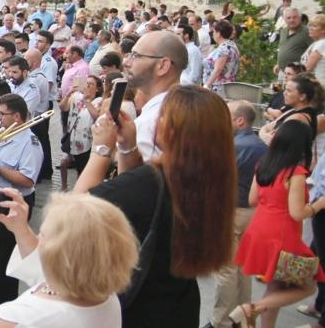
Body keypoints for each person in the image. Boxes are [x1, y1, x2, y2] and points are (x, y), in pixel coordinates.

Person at [76, 85, 236, 327]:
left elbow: (74, 213)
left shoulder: (150, 182)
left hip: (138, 309)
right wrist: (128, 148)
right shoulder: (212, 179)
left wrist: (100, 150)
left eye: (163, 116)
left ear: (172, 129)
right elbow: (139, 205)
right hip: (179, 305)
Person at [0, 192, 137, 327]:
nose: (38, 240)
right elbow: (45, 271)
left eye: (42, 236)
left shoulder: (28, 318)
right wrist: (20, 229)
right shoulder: (102, 294)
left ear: (60, 255)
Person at [231, 120, 325, 326]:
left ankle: (260, 317)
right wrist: (319, 204)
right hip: (283, 236)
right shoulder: (296, 174)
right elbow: (297, 213)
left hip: (259, 231)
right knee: (308, 286)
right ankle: (252, 308)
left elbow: (252, 200)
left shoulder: (263, 165)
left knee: (274, 287)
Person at [0, 94, 43, 305]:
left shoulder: (30, 142)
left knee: (6, 258)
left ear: (17, 116)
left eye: (2, 114)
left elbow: (27, 179)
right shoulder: (2, 133)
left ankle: (4, 301)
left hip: (13, 203)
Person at [213, 101, 269, 326]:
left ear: (240, 120)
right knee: (244, 266)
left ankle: (222, 320)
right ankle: (242, 315)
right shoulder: (261, 146)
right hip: (253, 211)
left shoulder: (233, 146)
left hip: (233, 210)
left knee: (226, 268)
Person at [124, 30, 188, 164]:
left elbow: (143, 183)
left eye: (136, 55)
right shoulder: (191, 108)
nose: (126, 62)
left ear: (163, 65)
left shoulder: (148, 124)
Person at [204, 20, 240, 94]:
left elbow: (218, 68)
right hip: (227, 86)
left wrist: (207, 85)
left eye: (214, 32)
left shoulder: (224, 48)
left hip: (217, 88)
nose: (213, 34)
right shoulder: (232, 45)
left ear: (218, 33)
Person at [304, 14, 325, 83]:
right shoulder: (316, 43)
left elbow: (307, 68)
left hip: (318, 86)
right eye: (310, 25)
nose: (310, 28)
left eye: (314, 26)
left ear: (324, 30)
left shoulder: (322, 44)